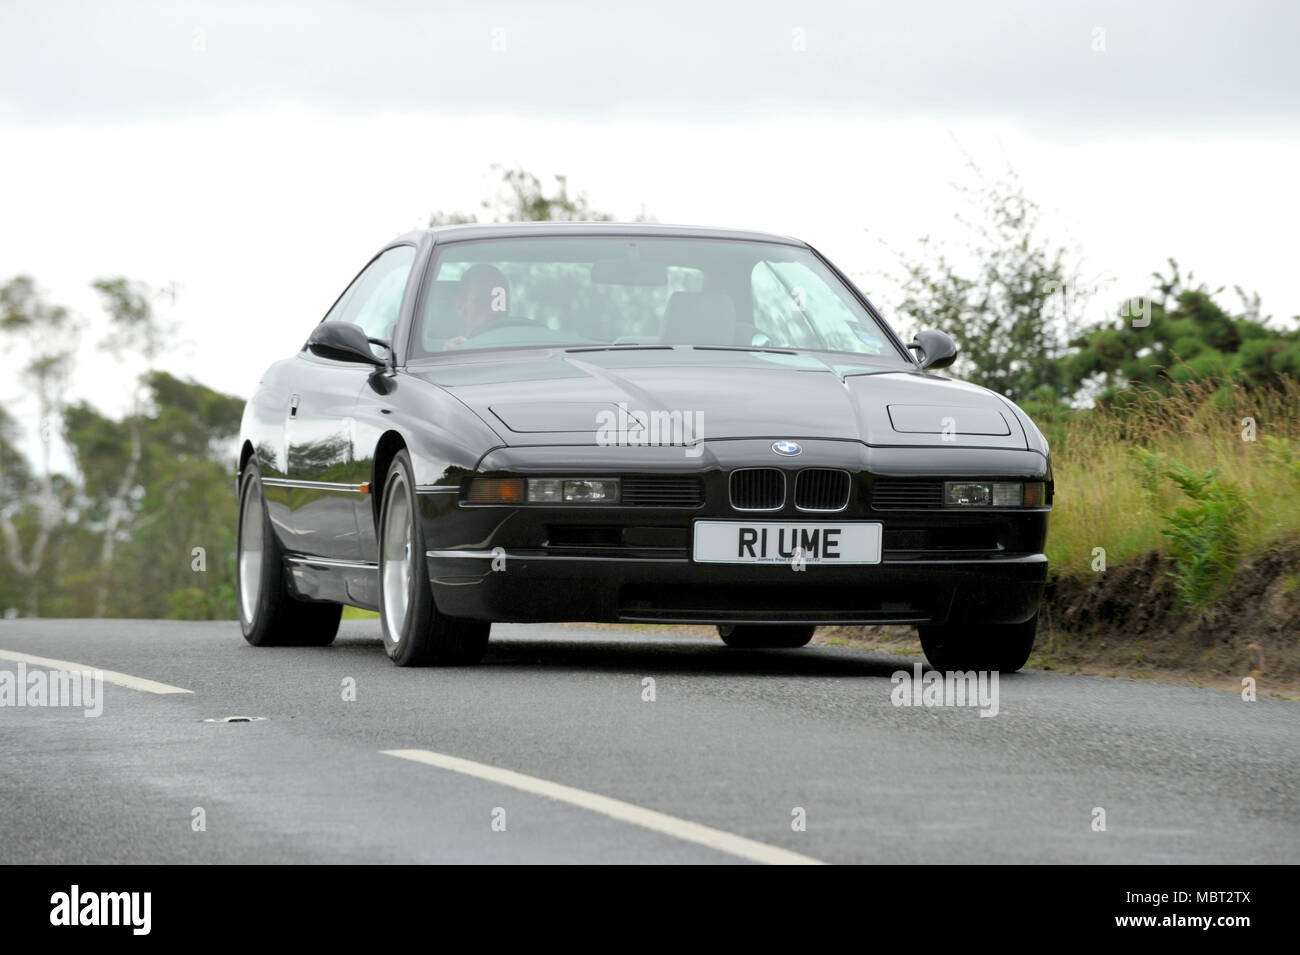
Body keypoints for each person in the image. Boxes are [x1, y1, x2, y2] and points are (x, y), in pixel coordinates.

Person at [443, 263, 509, 350]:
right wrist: (449, 355)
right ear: (460, 306)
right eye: (483, 302)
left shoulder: (523, 346)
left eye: (500, 302)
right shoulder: (450, 353)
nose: (494, 311)